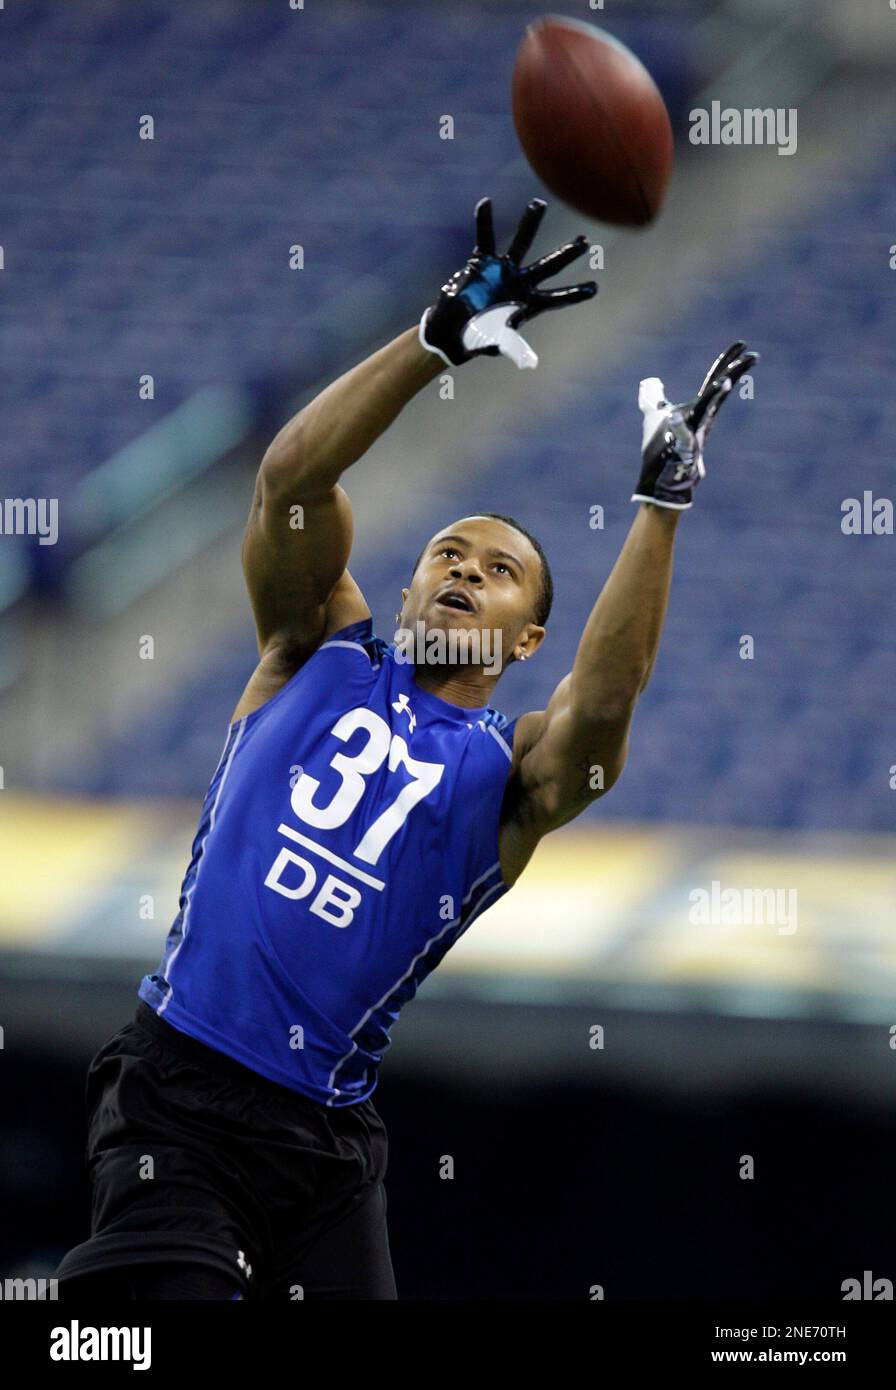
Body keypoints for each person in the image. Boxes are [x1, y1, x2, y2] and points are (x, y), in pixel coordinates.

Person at [55, 197, 756, 1300]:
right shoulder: (311, 650)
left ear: (527, 637)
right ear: (407, 581)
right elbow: (288, 480)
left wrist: (655, 510)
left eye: (498, 569)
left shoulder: (506, 778)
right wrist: (430, 346)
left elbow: (605, 710)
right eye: (447, 551)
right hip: (178, 1094)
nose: (463, 569)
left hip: (326, 1145)